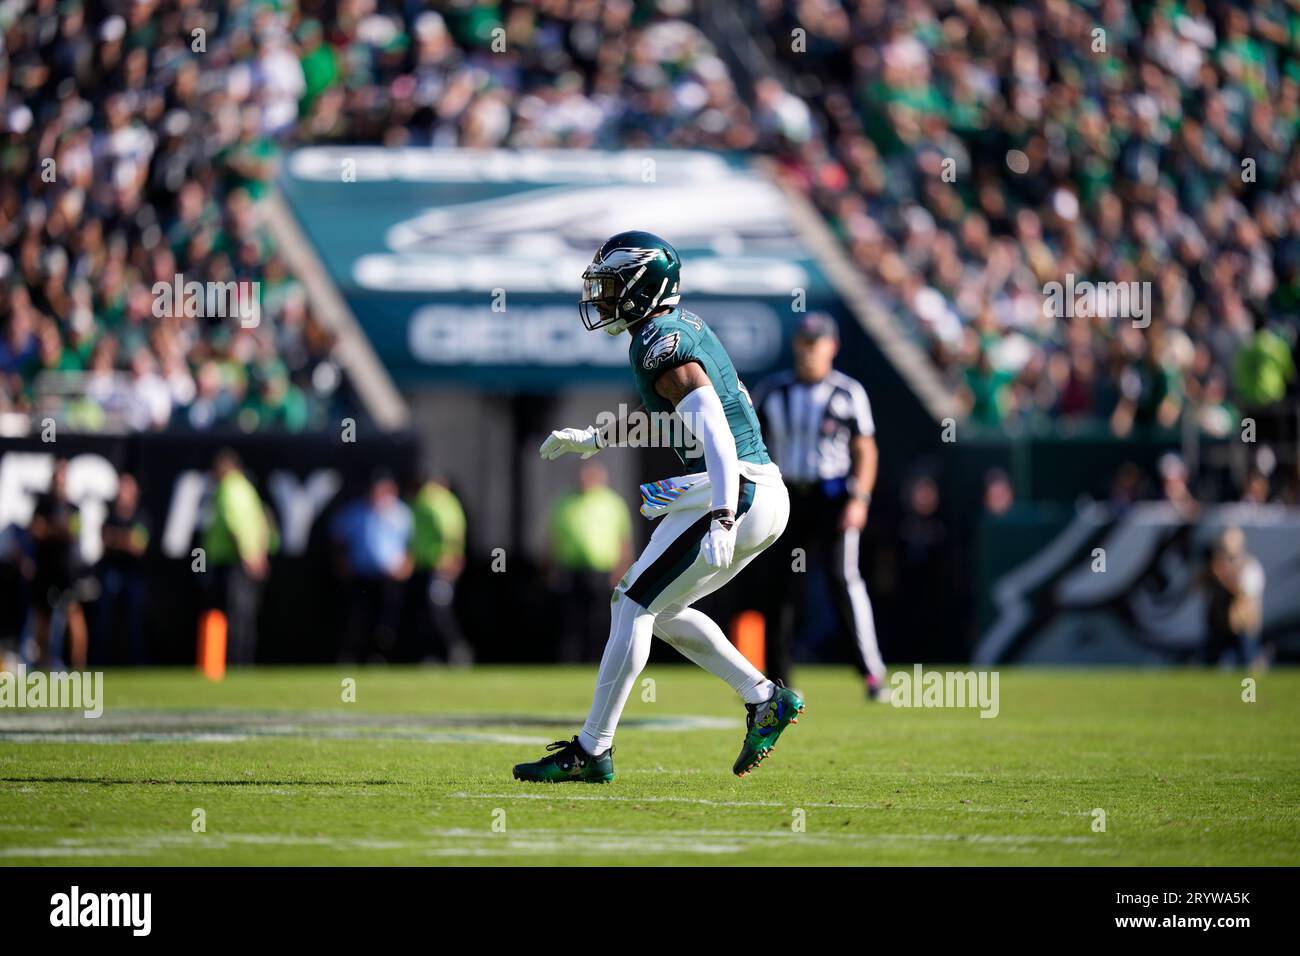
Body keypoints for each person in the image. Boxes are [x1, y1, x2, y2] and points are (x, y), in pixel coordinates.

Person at [512, 231, 802, 784]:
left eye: (612, 286)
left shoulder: (659, 341)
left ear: (644, 286)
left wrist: (720, 513)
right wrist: (595, 438)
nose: (601, 298)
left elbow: (714, 428)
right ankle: (764, 698)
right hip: (755, 490)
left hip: (735, 488)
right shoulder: (670, 330)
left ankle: (593, 749)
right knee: (658, 611)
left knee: (631, 604)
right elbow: (676, 415)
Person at [752, 313, 888, 701]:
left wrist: (860, 500)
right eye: (805, 342)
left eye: (818, 343)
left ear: (833, 347)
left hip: (832, 497)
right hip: (785, 497)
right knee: (778, 588)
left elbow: (865, 449)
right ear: (797, 345)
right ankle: (777, 681)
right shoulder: (772, 391)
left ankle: (871, 672)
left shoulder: (848, 392)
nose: (810, 350)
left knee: (844, 580)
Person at [548, 461, 633, 662]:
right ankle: (571, 661)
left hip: (603, 571)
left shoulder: (613, 503)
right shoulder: (565, 502)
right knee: (571, 619)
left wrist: (623, 568)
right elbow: (554, 537)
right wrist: (551, 566)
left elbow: (624, 539)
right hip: (571, 569)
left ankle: (598, 659)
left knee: (599, 619)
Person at [332, 470, 413, 663]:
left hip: (389, 577)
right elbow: (337, 539)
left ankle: (381, 658)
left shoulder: (401, 513)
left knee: (386, 621)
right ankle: (351, 658)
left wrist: (406, 567)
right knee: (358, 620)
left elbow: (410, 544)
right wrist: (342, 564)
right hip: (362, 576)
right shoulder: (355, 512)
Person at [202, 450, 271, 665]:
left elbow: (235, 526)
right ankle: (242, 662)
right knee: (245, 614)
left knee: (235, 615)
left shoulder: (228, 487)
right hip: (247, 558)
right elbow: (262, 522)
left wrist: (248, 556)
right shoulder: (246, 487)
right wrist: (260, 553)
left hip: (234, 561)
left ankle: (233, 663)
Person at [29, 458, 88, 669]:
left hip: (66, 570)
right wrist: (57, 530)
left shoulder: (73, 507)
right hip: (45, 568)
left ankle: (78, 666)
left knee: (73, 614)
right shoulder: (43, 505)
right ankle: (42, 664)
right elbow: (36, 530)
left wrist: (50, 530)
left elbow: (73, 532)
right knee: (43, 618)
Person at [408, 474, 473, 665]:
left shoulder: (433, 499)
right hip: (427, 565)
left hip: (440, 566)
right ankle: (436, 654)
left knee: (438, 608)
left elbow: (451, 530)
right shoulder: (438, 500)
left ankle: (456, 650)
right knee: (430, 610)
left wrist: (452, 557)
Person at [95, 473, 151, 664]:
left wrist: (116, 539)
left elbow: (138, 546)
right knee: (105, 619)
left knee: (134, 620)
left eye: (127, 488)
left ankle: (137, 663)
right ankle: (100, 662)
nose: (122, 493)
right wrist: (125, 539)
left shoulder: (141, 516)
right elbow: (104, 539)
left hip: (133, 574)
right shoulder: (110, 516)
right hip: (112, 572)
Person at [1200, 527, 1265, 668]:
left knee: (1248, 659)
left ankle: (1253, 688)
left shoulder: (1249, 566)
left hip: (1242, 622)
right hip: (1220, 621)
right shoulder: (1217, 565)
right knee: (1210, 661)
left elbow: (1245, 595)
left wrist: (1223, 576)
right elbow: (1199, 588)